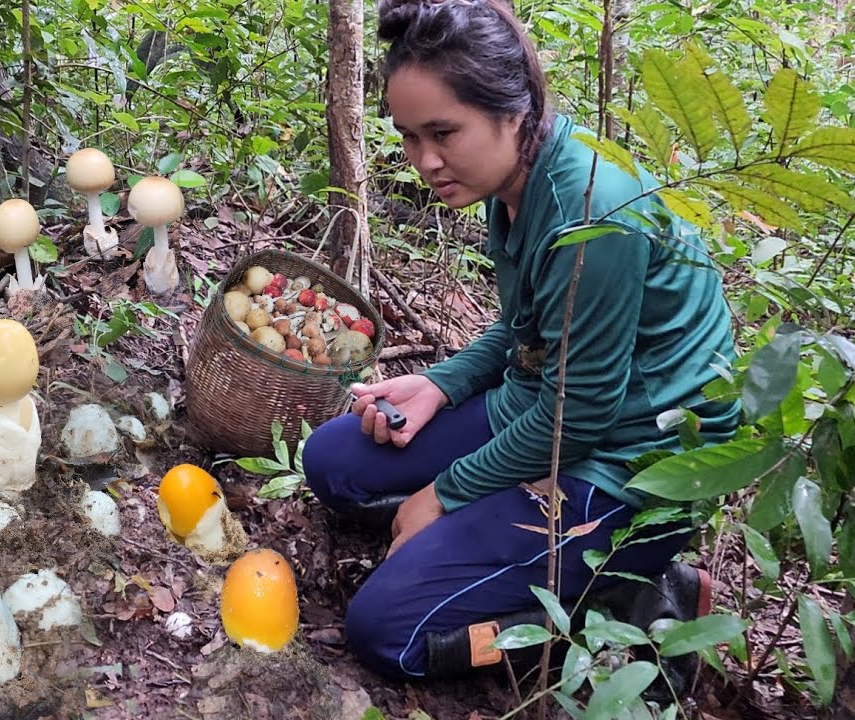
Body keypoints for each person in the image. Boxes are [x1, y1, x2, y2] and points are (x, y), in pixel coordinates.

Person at [302, 0, 737, 688]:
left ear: (515, 111)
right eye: (410, 136)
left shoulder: (590, 207)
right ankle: (489, 543)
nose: (425, 161)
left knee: (387, 631)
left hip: (633, 467)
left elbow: (582, 413)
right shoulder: (509, 179)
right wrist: (442, 383)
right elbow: (527, 324)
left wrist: (446, 493)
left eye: (444, 132)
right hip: (545, 406)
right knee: (334, 461)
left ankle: (629, 602)